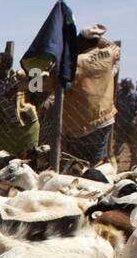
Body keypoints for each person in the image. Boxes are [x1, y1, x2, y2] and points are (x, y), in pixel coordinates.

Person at [48, 24, 120, 165]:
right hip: (105, 118)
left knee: (78, 164)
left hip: (83, 124)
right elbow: (116, 49)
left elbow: (52, 83)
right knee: (97, 162)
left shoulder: (79, 62)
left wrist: (35, 76)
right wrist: (100, 41)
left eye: (79, 40)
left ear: (85, 42)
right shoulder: (108, 55)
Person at [0, 52, 39, 158]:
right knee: (3, 159)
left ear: (5, 64)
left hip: (27, 125)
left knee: (28, 159)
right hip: (8, 128)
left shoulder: (18, 77)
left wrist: (18, 87)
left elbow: (39, 82)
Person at [111, 77, 137, 161]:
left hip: (131, 124)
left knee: (132, 143)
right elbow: (115, 107)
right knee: (119, 142)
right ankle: (116, 158)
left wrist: (135, 120)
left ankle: (134, 159)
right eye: (123, 84)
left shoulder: (135, 95)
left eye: (126, 84)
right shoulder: (119, 95)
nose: (124, 86)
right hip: (120, 122)